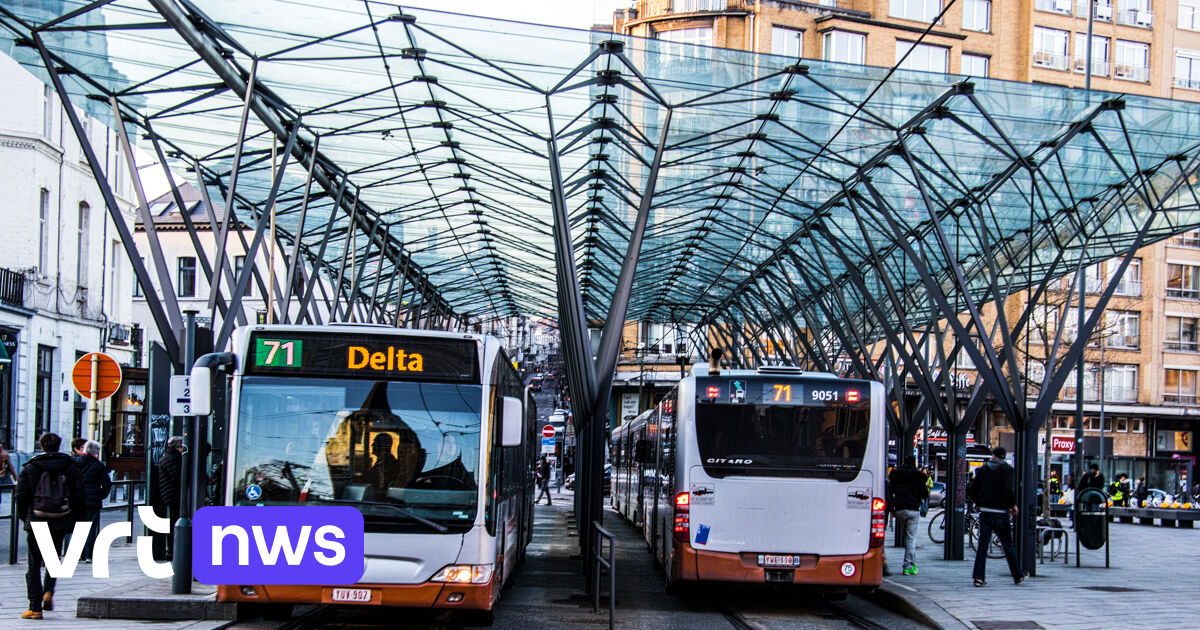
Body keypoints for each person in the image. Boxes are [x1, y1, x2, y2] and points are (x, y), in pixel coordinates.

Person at [16, 433, 85, 620]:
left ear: (42, 445)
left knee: (34, 564)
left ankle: (34, 607)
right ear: (59, 445)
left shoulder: (30, 467)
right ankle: (48, 592)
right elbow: (79, 495)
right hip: (60, 519)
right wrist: (75, 518)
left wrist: (26, 518)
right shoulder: (71, 466)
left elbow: (21, 497)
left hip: (37, 519)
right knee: (53, 561)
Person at [966, 446, 1025, 588]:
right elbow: (1007, 490)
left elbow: (972, 490)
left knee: (982, 546)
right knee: (1008, 546)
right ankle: (1017, 575)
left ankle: (978, 578)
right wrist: (1012, 505)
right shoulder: (1008, 470)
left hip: (985, 512)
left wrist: (979, 503)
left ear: (993, 456)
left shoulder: (983, 470)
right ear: (1003, 457)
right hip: (1001, 513)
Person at [887, 456, 929, 576]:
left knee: (906, 537)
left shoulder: (896, 475)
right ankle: (908, 566)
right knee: (910, 539)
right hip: (912, 510)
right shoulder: (918, 477)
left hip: (899, 509)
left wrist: (892, 509)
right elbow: (924, 494)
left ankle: (912, 564)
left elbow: (890, 492)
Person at [72, 439, 111, 563]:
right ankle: (89, 555)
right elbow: (106, 484)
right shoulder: (99, 465)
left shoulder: (75, 463)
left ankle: (78, 554)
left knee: (78, 527)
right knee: (90, 528)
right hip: (92, 500)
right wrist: (100, 495)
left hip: (77, 499)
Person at [154, 436, 186, 560]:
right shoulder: (172, 458)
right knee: (175, 521)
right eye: (182, 446)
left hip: (170, 494)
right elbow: (177, 476)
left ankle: (172, 550)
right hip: (173, 495)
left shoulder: (169, 457)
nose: (183, 448)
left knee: (174, 520)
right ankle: (172, 550)